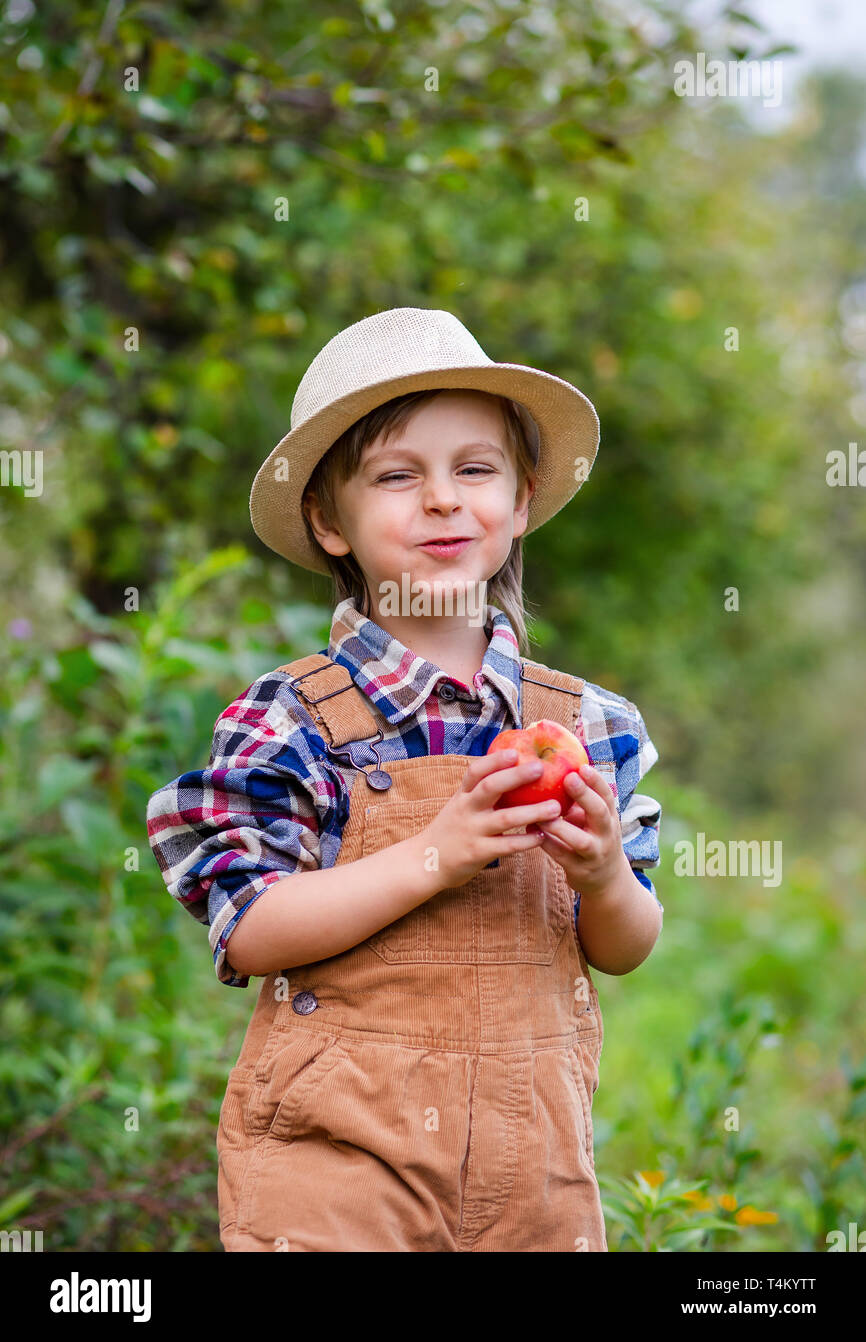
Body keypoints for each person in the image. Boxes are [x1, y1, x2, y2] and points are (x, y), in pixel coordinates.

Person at [146, 306, 664, 1252]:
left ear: (520, 496)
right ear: (327, 521)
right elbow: (253, 927)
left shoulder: (588, 726)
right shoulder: (290, 719)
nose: (441, 500)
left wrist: (602, 878)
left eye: (474, 468)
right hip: (338, 1171)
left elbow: (625, 947)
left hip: (536, 1177)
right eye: (396, 475)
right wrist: (434, 854)